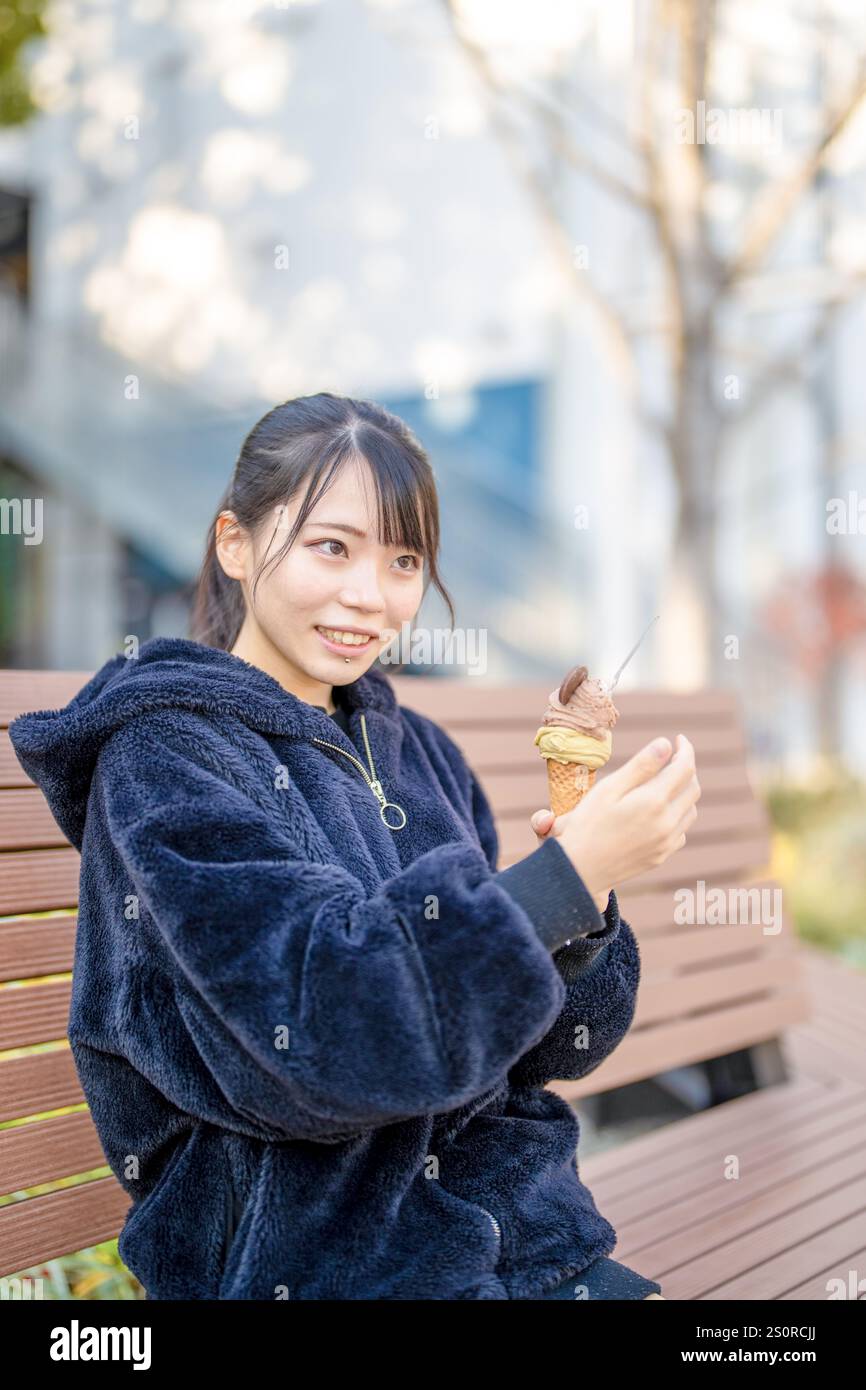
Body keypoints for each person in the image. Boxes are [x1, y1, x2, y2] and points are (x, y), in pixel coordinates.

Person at [9, 392, 698, 1300]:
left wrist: (575, 905)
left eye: (404, 559)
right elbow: (322, 1046)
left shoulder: (423, 756)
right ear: (236, 544)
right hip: (319, 1262)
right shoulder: (167, 756)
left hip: (527, 1240)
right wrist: (565, 878)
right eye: (332, 546)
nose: (370, 597)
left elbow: (547, 1053)